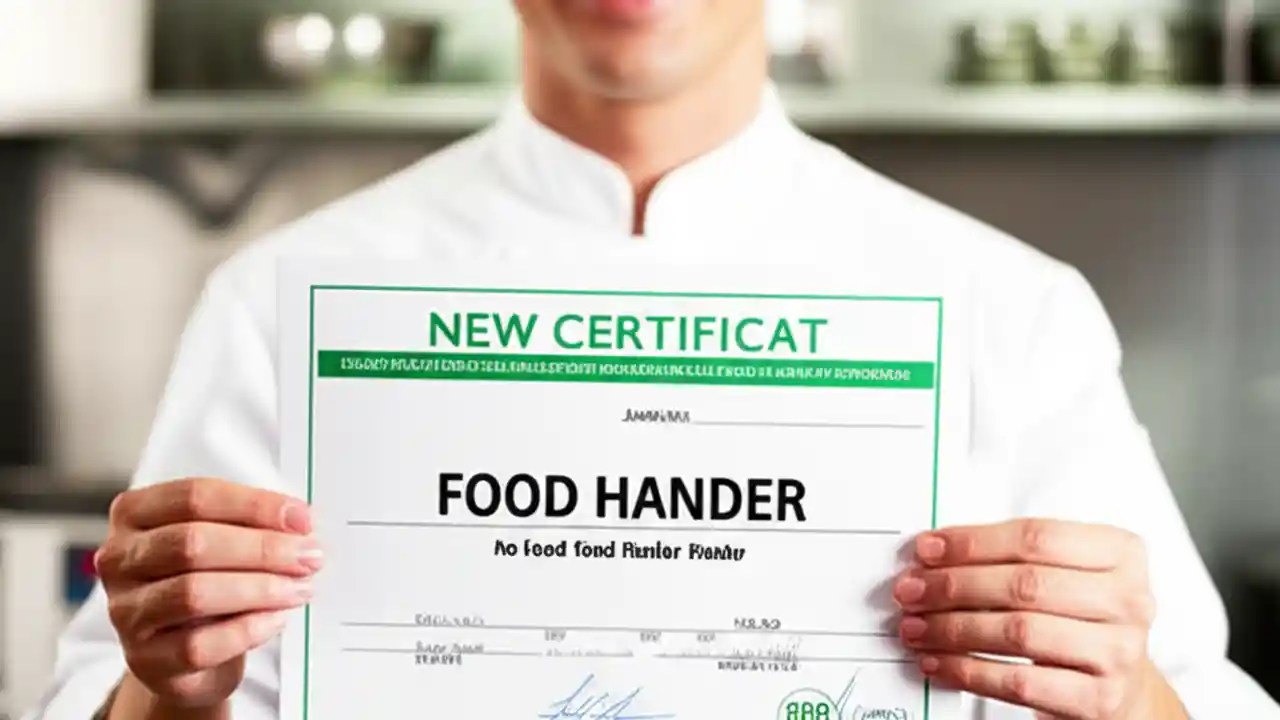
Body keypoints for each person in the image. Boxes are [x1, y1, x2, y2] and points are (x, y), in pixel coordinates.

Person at [28, 1, 1280, 719]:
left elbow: (1188, 703)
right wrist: (168, 687)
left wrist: (1118, 689)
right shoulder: (282, 297)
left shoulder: (1009, 306)